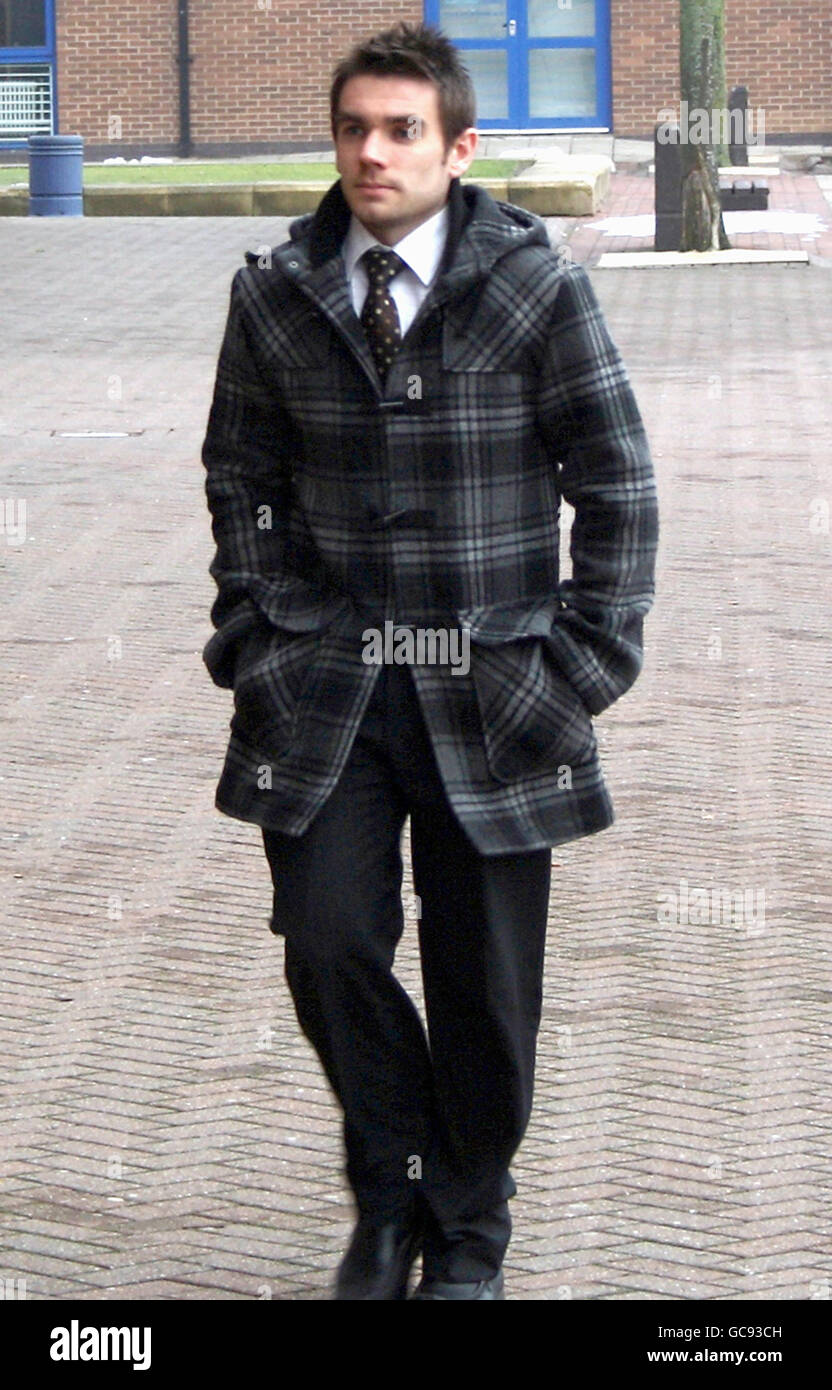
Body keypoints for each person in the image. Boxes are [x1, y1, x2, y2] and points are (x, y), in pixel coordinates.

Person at [201, 21, 658, 1300]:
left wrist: (582, 662)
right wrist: (257, 635)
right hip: (327, 689)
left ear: (457, 147)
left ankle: (468, 1227)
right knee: (328, 941)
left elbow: (615, 480)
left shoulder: (535, 286)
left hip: (498, 687)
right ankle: (388, 1191)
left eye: (401, 130)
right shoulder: (277, 293)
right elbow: (239, 474)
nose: (370, 152)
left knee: (486, 986)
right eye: (353, 127)